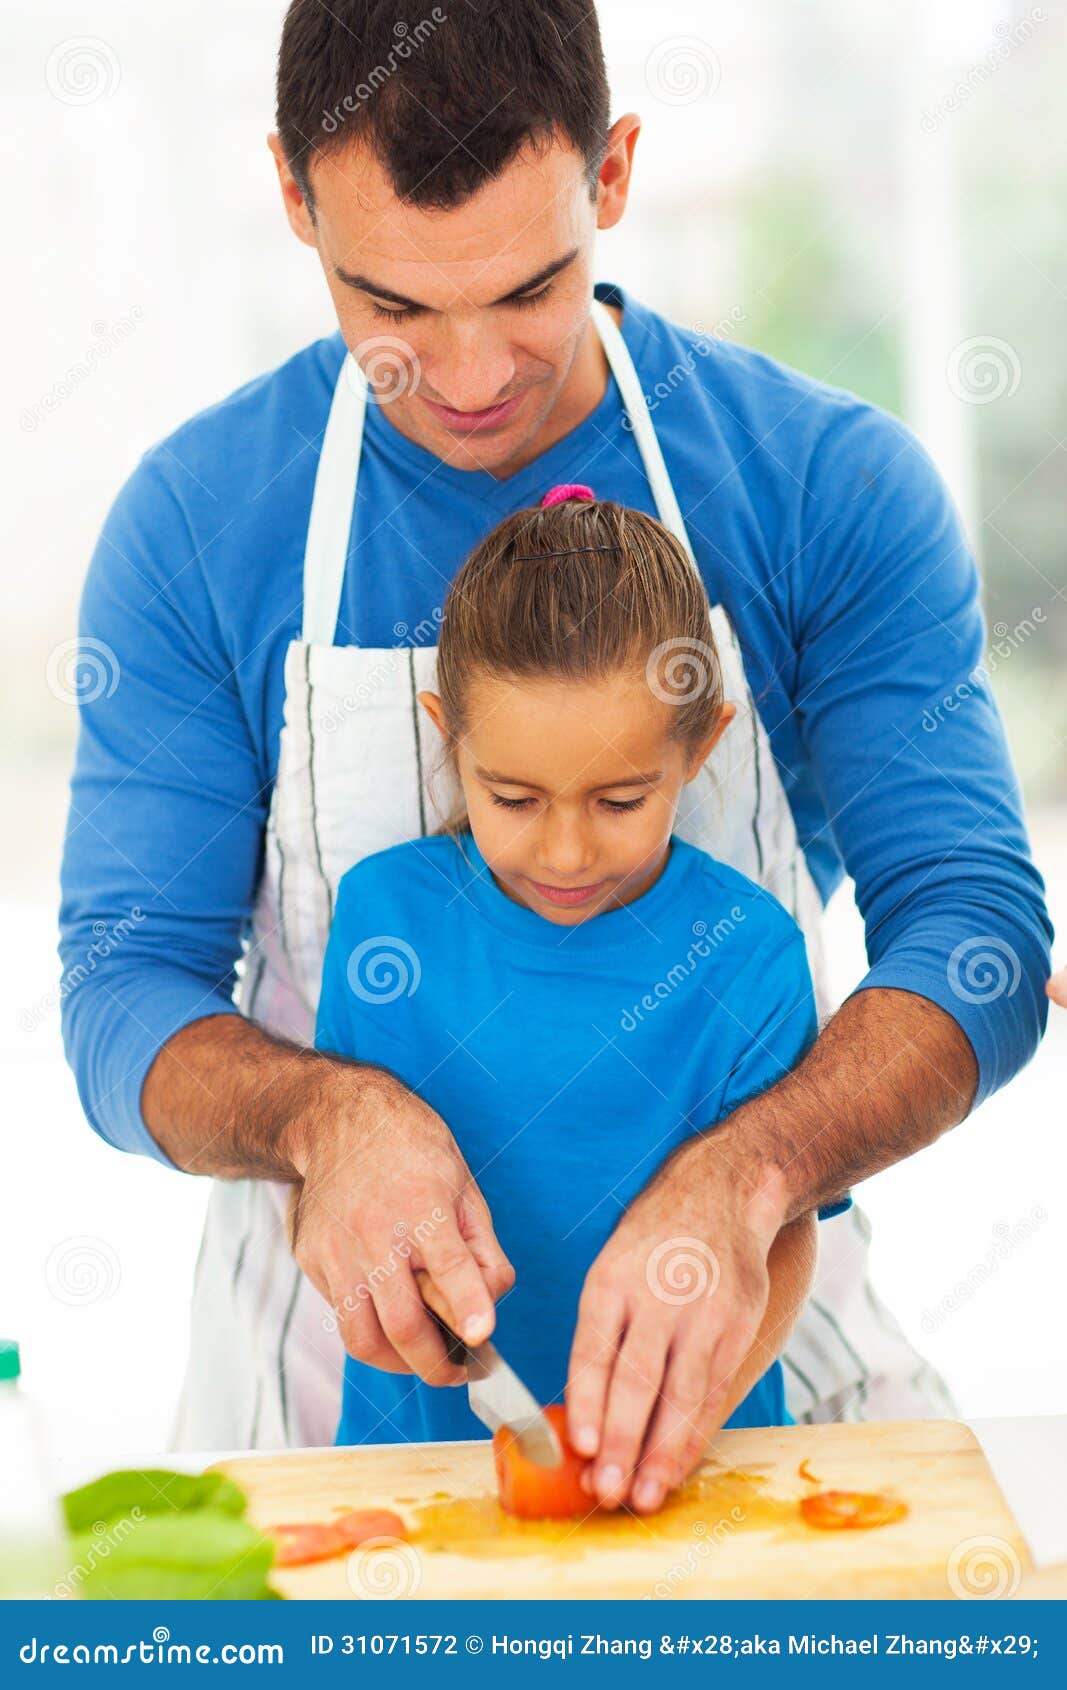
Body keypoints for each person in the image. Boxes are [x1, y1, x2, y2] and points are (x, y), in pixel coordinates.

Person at [59, 1, 1051, 1506]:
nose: (463, 374)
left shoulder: (823, 486)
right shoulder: (199, 525)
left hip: (778, 1404)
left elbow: (973, 932)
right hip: (327, 1441)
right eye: (386, 300)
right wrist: (322, 1116)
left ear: (615, 173)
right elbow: (122, 988)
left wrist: (747, 1176)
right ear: (289, 197)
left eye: (528, 287)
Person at [316, 485, 834, 1510]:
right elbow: (334, 1182)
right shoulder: (384, 919)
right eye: (510, 797)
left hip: (691, 1479)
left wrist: (679, 1418)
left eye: (618, 799)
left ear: (701, 744)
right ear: (443, 736)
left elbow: (785, 1232)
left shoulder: (750, 951)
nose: (562, 851)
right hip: (421, 1477)